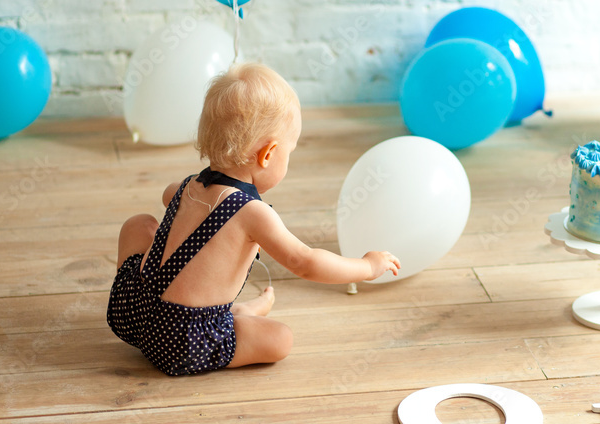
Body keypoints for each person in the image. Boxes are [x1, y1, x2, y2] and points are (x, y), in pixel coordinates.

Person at [107, 63, 400, 376]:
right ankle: (236, 317)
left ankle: (232, 313)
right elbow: (306, 261)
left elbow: (169, 197)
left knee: (139, 223)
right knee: (280, 339)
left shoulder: (188, 185)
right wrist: (367, 267)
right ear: (268, 154)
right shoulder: (254, 214)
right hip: (181, 342)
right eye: (291, 152)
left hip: (131, 311)